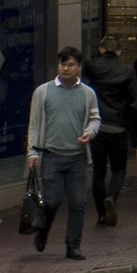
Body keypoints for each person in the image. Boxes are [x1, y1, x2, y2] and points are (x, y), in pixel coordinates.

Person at [25, 47, 101, 259]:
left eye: (70, 65)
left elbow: (95, 119)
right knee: (52, 201)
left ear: (79, 67)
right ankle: (42, 230)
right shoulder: (43, 92)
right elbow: (34, 125)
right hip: (51, 155)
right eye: (62, 64)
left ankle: (73, 245)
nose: (65, 69)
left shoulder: (87, 94)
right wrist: (32, 153)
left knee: (78, 202)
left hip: (76, 156)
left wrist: (89, 133)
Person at [82, 38, 137, 229]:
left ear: (101, 49)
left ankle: (100, 214)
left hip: (96, 124)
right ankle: (112, 198)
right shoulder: (127, 71)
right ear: (119, 51)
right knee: (119, 169)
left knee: (98, 171)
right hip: (118, 125)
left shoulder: (91, 67)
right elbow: (132, 104)